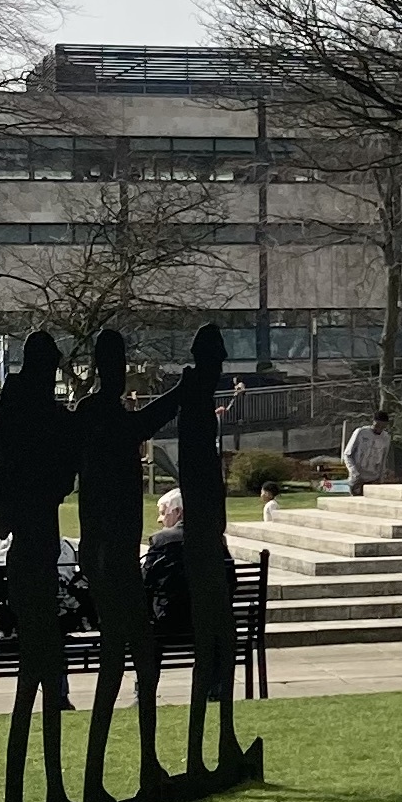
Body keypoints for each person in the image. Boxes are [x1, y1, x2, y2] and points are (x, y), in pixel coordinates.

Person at [73, 329, 191, 802]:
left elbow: (143, 422)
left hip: (113, 554)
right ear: (107, 366)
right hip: (109, 557)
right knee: (125, 661)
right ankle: (108, 774)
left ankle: (139, 766)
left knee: (134, 660)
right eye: (118, 362)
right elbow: (144, 423)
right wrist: (182, 392)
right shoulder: (97, 415)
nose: (123, 371)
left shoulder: (106, 414)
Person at [0, 330, 79, 802]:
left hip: (32, 541)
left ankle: (39, 794)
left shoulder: (25, 404)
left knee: (38, 677)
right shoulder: (34, 406)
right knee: (35, 676)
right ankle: (27, 798)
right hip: (34, 543)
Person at [175, 322, 243, 777]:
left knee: (221, 638)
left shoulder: (195, 396)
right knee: (216, 637)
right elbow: (197, 470)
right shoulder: (195, 397)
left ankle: (219, 739)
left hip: (205, 529)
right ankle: (207, 745)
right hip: (202, 535)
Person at [0, 518, 73, 717]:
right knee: (53, 635)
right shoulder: (63, 547)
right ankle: (60, 698)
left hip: (5, 631)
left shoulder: (4, 544)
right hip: (48, 629)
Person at [342, 410, 393, 495]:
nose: (379, 428)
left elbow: (383, 459)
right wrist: (354, 471)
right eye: (378, 425)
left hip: (373, 478)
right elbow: (347, 454)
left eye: (382, 426)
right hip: (358, 477)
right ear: (373, 422)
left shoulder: (386, 438)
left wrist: (381, 478)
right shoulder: (361, 432)